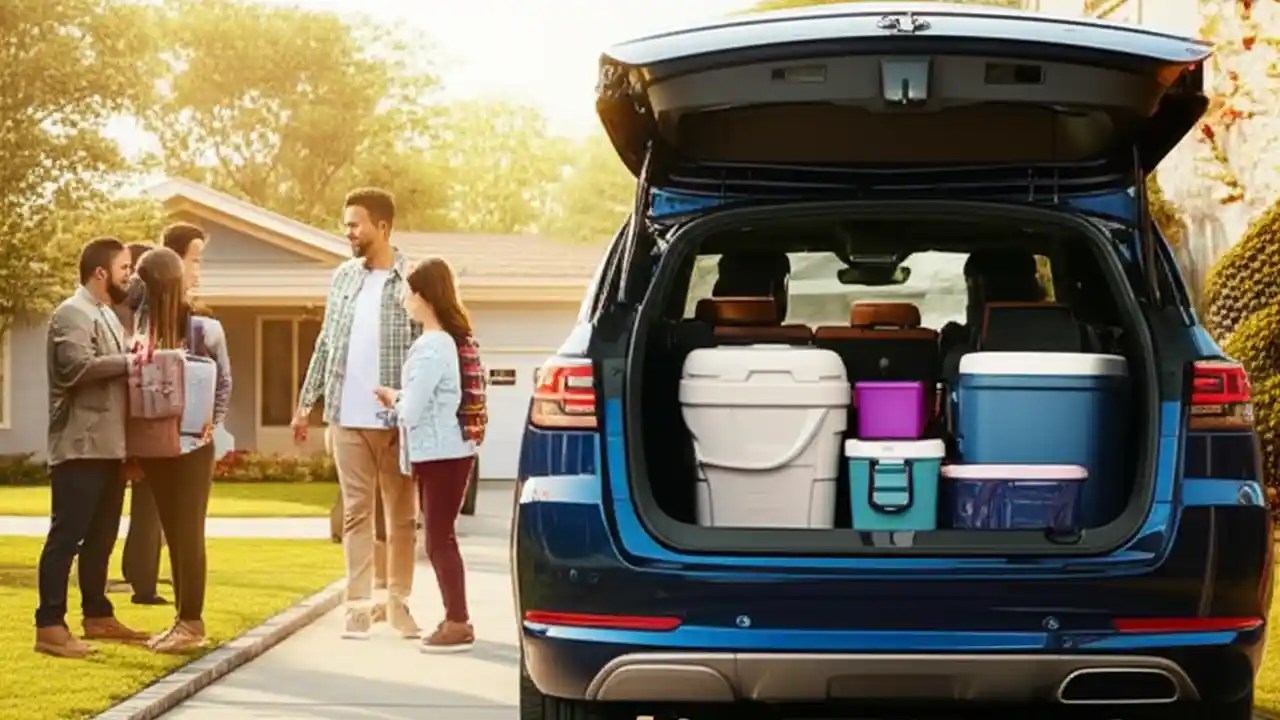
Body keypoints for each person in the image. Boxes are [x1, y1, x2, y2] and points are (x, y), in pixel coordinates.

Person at [294, 187, 421, 640]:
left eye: (355, 224)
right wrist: (305, 403)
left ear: (382, 227)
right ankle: (357, 607)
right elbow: (326, 342)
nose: (347, 232)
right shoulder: (344, 278)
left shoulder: (412, 278)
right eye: (346, 224)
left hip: (397, 421)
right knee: (356, 514)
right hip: (346, 417)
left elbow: (425, 347)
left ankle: (399, 603)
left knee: (402, 517)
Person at [35, 236, 150, 658]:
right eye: (124, 269)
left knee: (102, 538)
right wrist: (134, 362)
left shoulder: (105, 314)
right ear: (101, 273)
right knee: (66, 538)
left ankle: (98, 615)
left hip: (109, 448)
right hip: (79, 446)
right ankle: (49, 626)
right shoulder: (71, 313)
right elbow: (75, 368)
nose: (129, 276)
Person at [131, 246, 233, 653]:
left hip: (194, 445)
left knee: (188, 533)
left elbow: (223, 382)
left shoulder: (205, 328)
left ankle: (192, 621)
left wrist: (213, 424)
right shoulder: (139, 328)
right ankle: (181, 619)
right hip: (155, 446)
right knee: (173, 532)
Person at [375, 257, 477, 652]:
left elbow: (413, 410)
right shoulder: (445, 343)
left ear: (423, 297)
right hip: (446, 453)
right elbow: (427, 400)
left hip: (441, 455)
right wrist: (399, 397)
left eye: (407, 292)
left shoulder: (433, 347)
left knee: (438, 540)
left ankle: (457, 621)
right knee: (439, 537)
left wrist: (393, 403)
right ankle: (457, 618)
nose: (403, 300)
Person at [115, 241, 169, 606]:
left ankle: (136, 575)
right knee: (148, 505)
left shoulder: (116, 307)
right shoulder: (143, 310)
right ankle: (141, 582)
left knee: (136, 506)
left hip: (125, 417)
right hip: (137, 417)